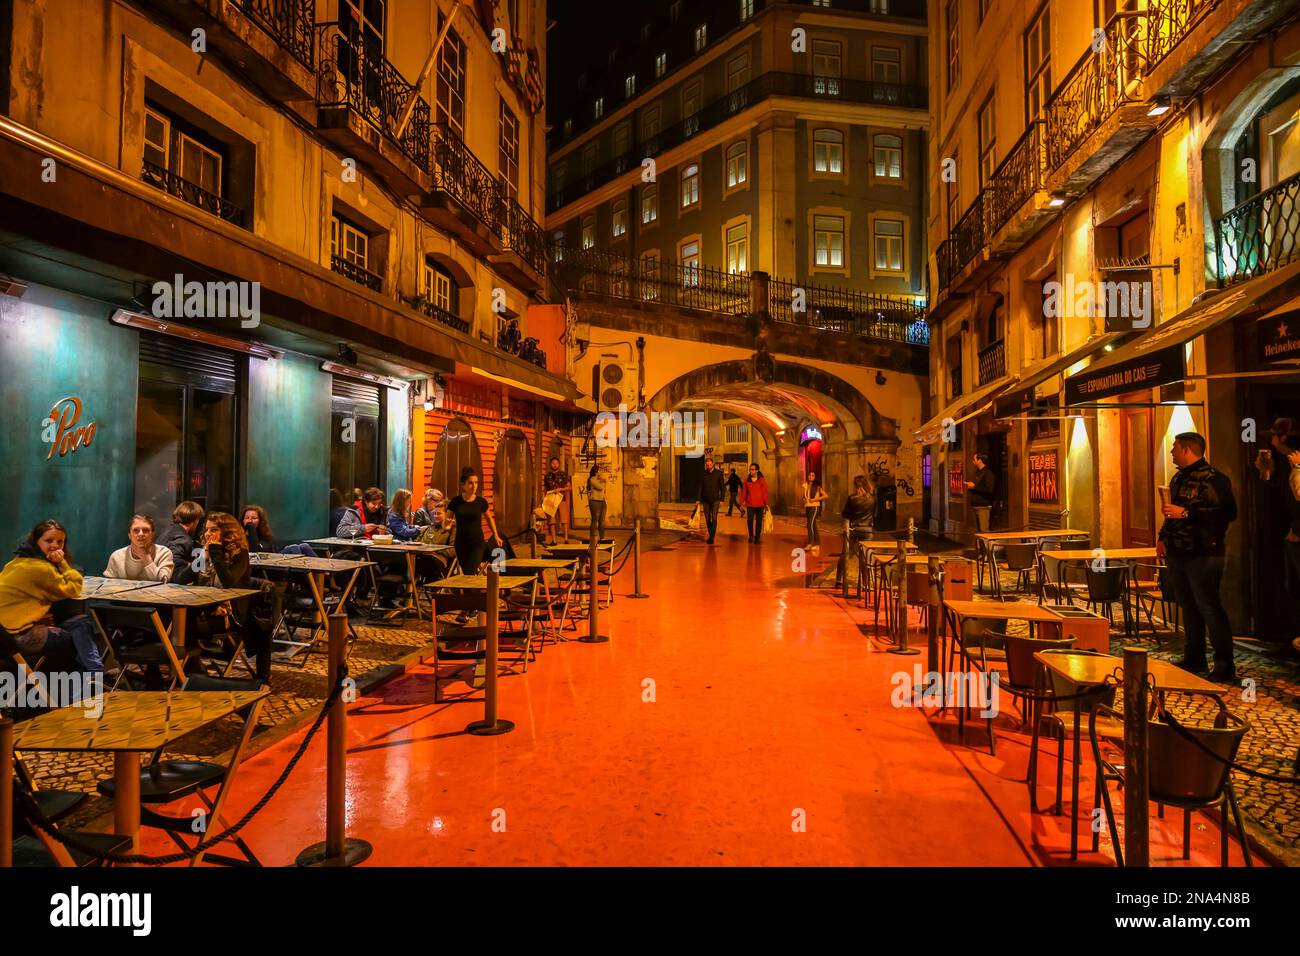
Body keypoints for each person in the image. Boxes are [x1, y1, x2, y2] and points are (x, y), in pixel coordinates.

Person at [1158, 432, 1238, 682]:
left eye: (1174, 448)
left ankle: (1224, 665)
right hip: (1178, 551)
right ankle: (1194, 657)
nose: (1171, 452)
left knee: (1209, 607)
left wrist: (1186, 514)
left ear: (1186, 449)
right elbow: (1172, 513)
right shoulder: (1179, 477)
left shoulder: (1214, 479)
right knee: (1188, 607)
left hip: (1204, 553)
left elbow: (1227, 513)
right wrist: (1163, 536)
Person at [0, 520, 103, 675]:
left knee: (78, 623)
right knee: (79, 631)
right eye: (48, 541)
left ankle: (92, 674)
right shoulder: (41, 568)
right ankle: (92, 676)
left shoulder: (15, 563)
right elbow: (74, 588)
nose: (55, 545)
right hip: (15, 639)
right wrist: (62, 562)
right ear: (36, 541)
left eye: (60, 541)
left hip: (5, 633)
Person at [194, 511, 268, 681]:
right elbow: (182, 578)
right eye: (206, 530)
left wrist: (214, 552)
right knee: (171, 622)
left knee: (185, 627)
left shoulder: (239, 554)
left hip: (231, 614)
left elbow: (228, 582)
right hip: (204, 609)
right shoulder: (204, 552)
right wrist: (202, 557)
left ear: (227, 533)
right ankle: (189, 669)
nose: (208, 534)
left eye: (213, 530)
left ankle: (192, 672)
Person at [1254, 418, 1300, 650]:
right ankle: (1291, 639)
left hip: (1296, 537)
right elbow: (1276, 497)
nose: (1270, 441)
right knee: (1292, 590)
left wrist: (1296, 531)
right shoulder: (1284, 463)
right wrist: (1266, 473)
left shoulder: (1296, 463)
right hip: (1284, 535)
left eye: (1273, 436)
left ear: (1282, 438)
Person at [448, 467, 498, 573]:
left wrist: (496, 534)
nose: (474, 486)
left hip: (477, 543)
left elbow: (489, 519)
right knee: (467, 572)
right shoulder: (455, 501)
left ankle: (474, 589)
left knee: (470, 570)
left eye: (476, 482)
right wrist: (447, 525)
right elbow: (447, 520)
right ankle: (471, 589)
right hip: (461, 543)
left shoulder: (481, 502)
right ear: (463, 485)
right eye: (471, 483)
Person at [104, 514, 174, 582]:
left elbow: (164, 582)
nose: (141, 534)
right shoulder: (117, 556)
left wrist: (146, 557)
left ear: (152, 534)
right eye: (136, 530)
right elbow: (108, 584)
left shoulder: (164, 553)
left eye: (146, 530)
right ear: (129, 535)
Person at [837, 475, 878, 586]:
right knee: (865, 557)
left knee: (845, 553)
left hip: (854, 528)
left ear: (856, 485)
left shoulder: (852, 498)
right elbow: (875, 514)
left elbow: (845, 513)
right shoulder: (873, 499)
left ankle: (839, 579)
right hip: (868, 530)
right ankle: (865, 583)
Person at [158, 500, 204, 584]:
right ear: (196, 520)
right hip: (170, 583)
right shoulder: (182, 538)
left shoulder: (167, 531)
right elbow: (174, 561)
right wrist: (190, 565)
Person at [696, 456, 726, 545]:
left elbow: (722, 487)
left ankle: (711, 537)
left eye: (710, 464)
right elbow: (700, 487)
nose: (708, 466)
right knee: (707, 518)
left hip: (716, 499)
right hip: (705, 500)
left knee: (714, 518)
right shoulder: (703, 474)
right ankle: (711, 535)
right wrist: (698, 499)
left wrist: (722, 499)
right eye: (707, 465)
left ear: (713, 464)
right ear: (706, 465)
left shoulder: (719, 473)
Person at [543, 457, 571, 545]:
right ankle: (554, 540)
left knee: (564, 520)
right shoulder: (547, 476)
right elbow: (545, 489)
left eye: (556, 463)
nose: (554, 465)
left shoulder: (563, 474)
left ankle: (566, 539)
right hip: (551, 500)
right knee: (551, 521)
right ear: (550, 464)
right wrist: (544, 499)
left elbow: (569, 487)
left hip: (561, 499)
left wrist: (560, 489)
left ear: (559, 464)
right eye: (553, 463)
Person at [965, 453, 995, 533]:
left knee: (984, 531)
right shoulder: (976, 473)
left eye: (974, 459)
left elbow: (989, 489)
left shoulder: (988, 473)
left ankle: (986, 545)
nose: (972, 462)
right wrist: (970, 487)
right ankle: (979, 545)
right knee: (978, 531)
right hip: (975, 505)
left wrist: (974, 487)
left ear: (980, 460)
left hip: (983, 507)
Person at [741, 463, 770, 544]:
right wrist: (742, 501)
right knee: (749, 520)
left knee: (759, 521)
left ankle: (757, 537)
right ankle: (751, 535)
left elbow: (765, 492)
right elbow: (744, 492)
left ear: (757, 470)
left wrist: (766, 503)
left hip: (760, 504)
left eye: (753, 469)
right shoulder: (747, 480)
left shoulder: (762, 480)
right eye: (750, 469)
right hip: (750, 504)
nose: (751, 471)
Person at [803, 470, 830, 552]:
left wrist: (815, 499)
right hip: (807, 506)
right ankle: (817, 544)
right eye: (809, 475)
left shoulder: (817, 487)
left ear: (815, 477)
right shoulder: (806, 485)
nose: (811, 477)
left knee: (809, 524)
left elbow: (826, 495)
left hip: (814, 507)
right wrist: (804, 499)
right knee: (813, 525)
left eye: (813, 475)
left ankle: (810, 543)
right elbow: (805, 496)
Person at [587, 465, 608, 542]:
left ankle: (602, 537)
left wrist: (603, 480)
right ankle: (592, 537)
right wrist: (603, 480)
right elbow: (600, 487)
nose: (601, 472)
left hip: (602, 501)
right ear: (596, 472)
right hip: (595, 501)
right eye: (600, 471)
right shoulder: (592, 480)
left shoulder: (600, 480)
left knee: (602, 521)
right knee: (595, 520)